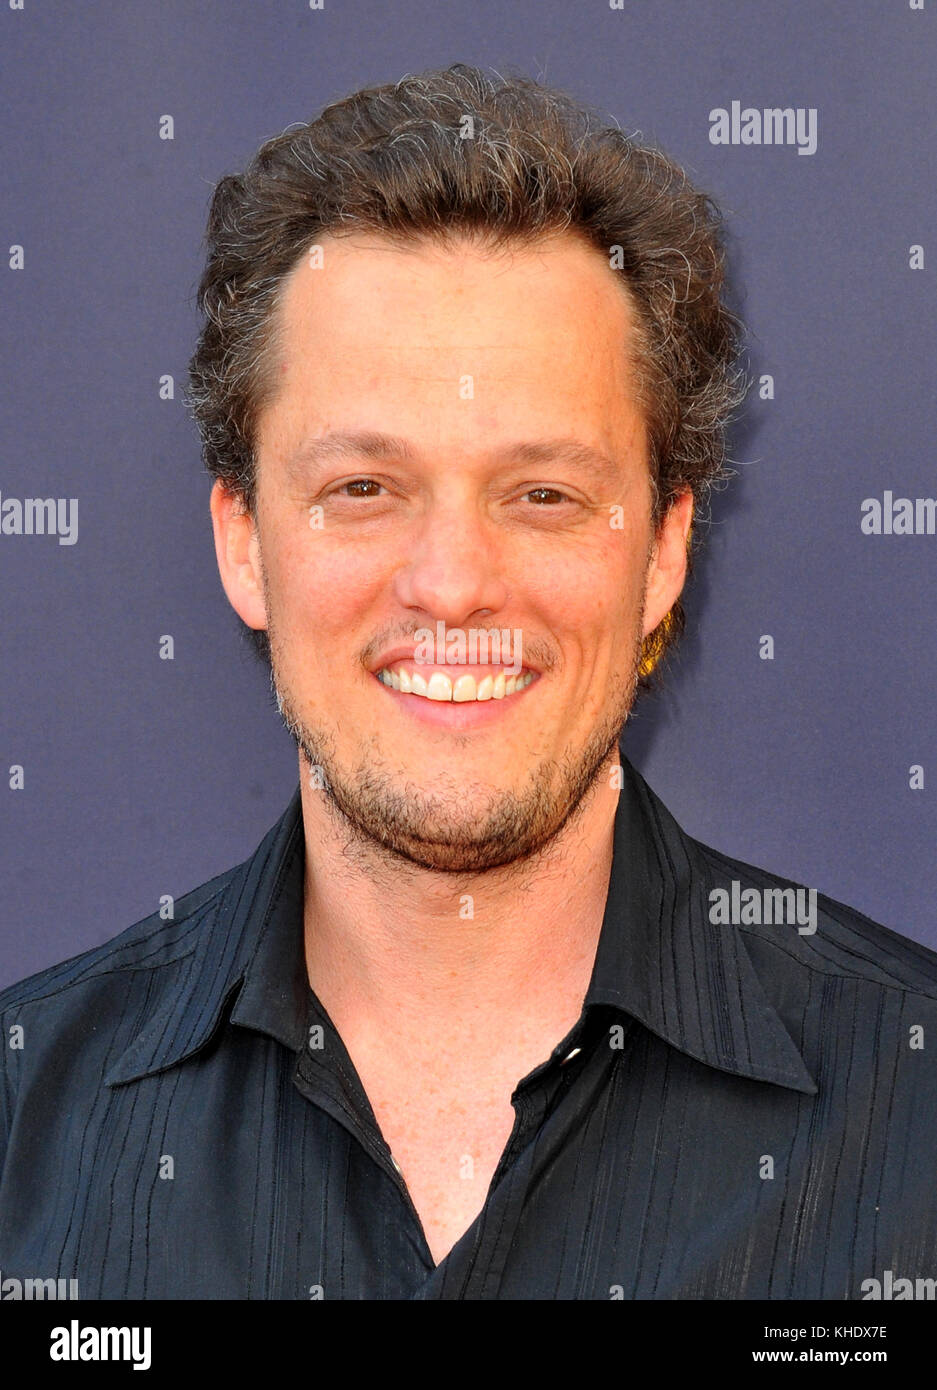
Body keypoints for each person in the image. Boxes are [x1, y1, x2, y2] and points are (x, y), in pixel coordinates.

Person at [2, 63, 935, 1301]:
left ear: (662, 548)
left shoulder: (911, 1116)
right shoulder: (26, 1134)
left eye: (542, 494)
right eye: (363, 490)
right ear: (243, 542)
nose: (450, 584)